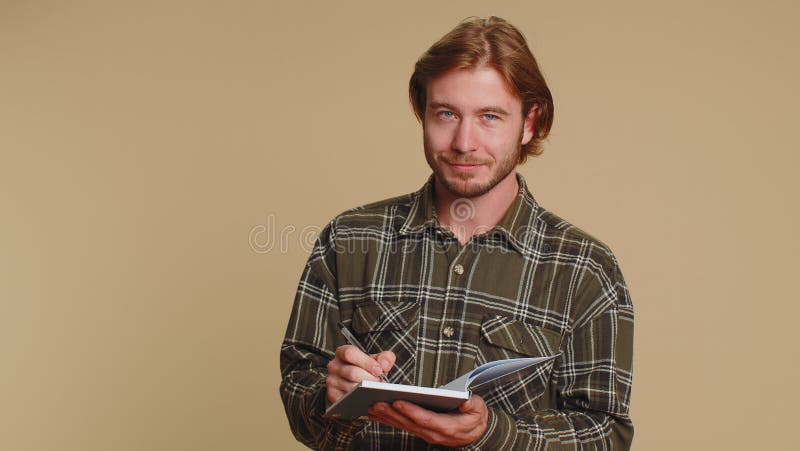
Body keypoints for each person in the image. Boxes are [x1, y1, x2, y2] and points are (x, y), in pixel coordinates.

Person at [280, 16, 634, 450]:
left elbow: (607, 436)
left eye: (489, 116)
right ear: (422, 113)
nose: (464, 142)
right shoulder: (348, 240)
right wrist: (329, 395)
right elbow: (300, 394)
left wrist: (492, 434)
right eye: (446, 113)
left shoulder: (586, 269)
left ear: (528, 122)